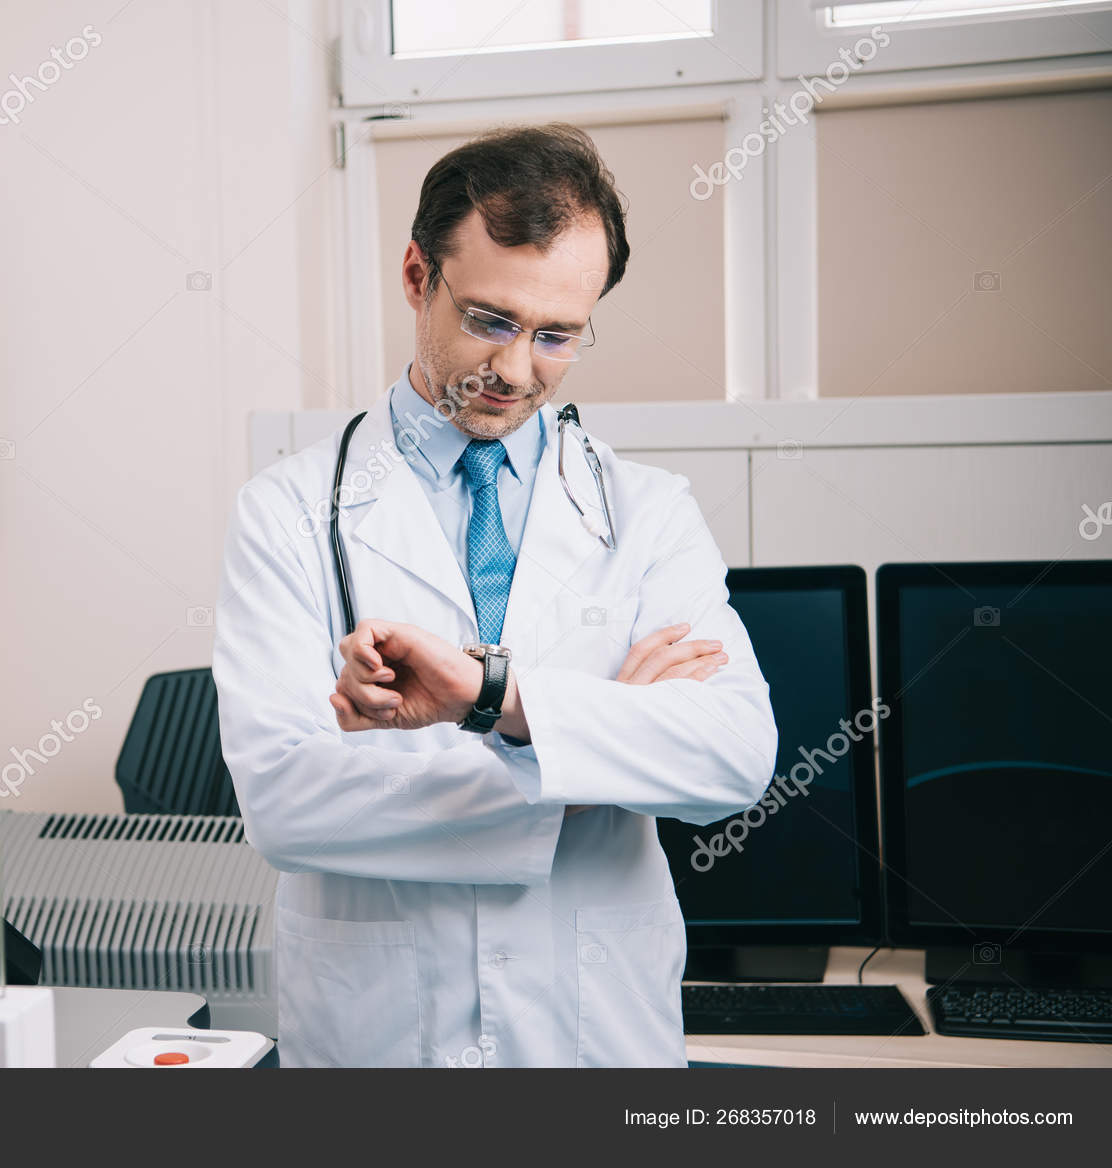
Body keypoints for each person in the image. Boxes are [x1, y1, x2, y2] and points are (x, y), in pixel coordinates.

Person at [212, 123, 777, 1067]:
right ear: (416, 276)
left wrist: (501, 704)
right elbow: (286, 803)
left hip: (595, 1038)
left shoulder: (649, 512)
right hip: (382, 1043)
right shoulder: (287, 513)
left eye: (557, 336)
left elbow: (734, 757)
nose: (516, 369)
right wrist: (587, 763)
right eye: (490, 320)